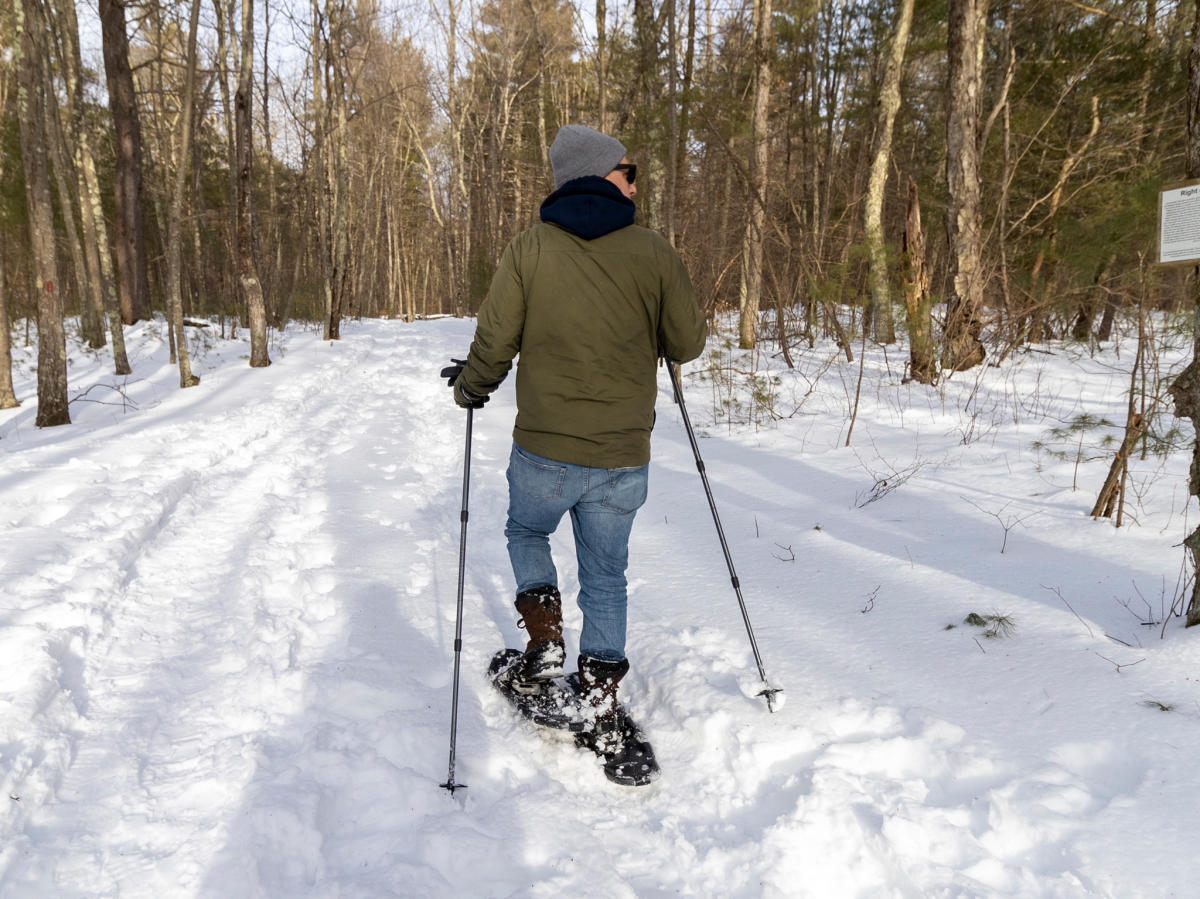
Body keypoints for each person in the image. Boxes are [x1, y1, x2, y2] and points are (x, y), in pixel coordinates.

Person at [442, 123, 706, 777]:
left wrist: (471, 386)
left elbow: (495, 341)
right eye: (628, 170)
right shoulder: (652, 251)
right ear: (600, 173)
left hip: (544, 451)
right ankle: (600, 699)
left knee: (526, 530)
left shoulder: (529, 249)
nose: (635, 182)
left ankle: (546, 639)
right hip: (622, 456)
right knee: (607, 574)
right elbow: (688, 342)